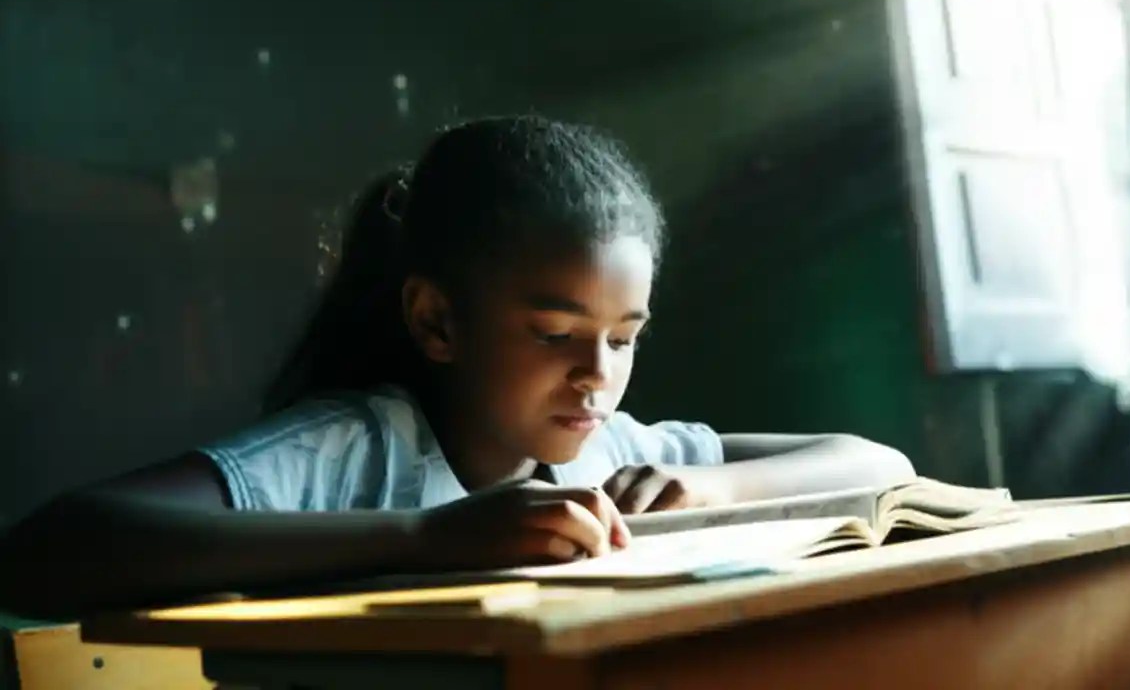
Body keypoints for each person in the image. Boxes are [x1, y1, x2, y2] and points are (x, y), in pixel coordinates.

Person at [0, 116, 914, 619]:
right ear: (438, 321)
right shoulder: (357, 452)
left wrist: (705, 489)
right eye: (555, 335)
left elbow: (879, 467)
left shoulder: (621, 459)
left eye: (623, 337)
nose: (595, 375)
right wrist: (425, 540)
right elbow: (47, 553)